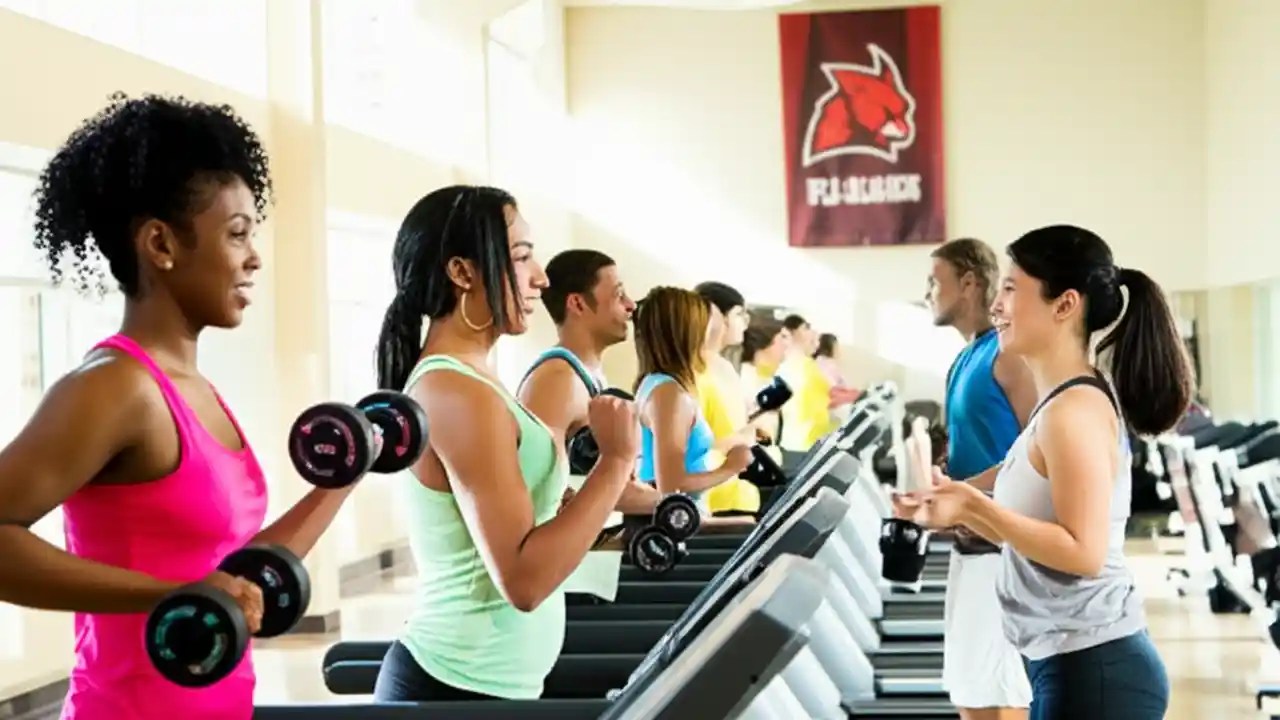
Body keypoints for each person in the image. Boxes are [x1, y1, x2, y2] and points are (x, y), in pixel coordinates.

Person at [0, 93, 355, 720]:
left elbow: (234, 574)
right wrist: (171, 593)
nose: (254, 258)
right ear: (161, 244)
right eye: (237, 234)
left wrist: (346, 474)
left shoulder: (197, 388)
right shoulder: (115, 387)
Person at [899, 225, 1186, 719]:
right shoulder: (1056, 403)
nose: (997, 305)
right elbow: (1032, 533)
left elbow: (1084, 552)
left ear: (1064, 304)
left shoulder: (1072, 411)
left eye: (1011, 289)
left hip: (1096, 669)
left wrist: (976, 506)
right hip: (1065, 662)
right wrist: (955, 509)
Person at [371, 185, 639, 702]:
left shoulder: (478, 380)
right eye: (521, 256)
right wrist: (616, 462)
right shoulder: (455, 391)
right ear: (462, 273)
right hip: (455, 686)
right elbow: (523, 581)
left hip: (491, 683)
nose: (540, 276)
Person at [926, 238, 1037, 720]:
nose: (928, 292)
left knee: (1001, 700)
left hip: (1001, 552)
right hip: (968, 547)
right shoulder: (966, 357)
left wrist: (962, 492)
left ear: (969, 283)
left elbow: (1038, 452)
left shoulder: (1007, 355)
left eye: (935, 281)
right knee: (970, 698)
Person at [517, 249, 659, 516]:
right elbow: (541, 494)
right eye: (618, 295)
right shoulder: (557, 381)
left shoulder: (586, 375)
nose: (631, 305)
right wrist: (672, 505)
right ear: (578, 304)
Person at [632, 286, 751, 512]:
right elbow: (672, 487)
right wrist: (730, 467)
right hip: (679, 525)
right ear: (689, 331)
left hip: (692, 518)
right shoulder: (668, 394)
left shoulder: (664, 386)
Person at [693, 281, 761, 516]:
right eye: (739, 314)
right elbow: (692, 443)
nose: (746, 322)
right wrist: (738, 440)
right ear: (714, 316)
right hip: (714, 492)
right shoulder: (694, 371)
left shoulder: (723, 366)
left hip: (739, 484)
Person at [777, 314, 834, 452]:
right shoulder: (786, 366)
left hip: (812, 440)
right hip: (798, 442)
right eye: (806, 328)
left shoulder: (809, 365)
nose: (815, 344)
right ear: (792, 332)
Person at [739, 319, 790, 441]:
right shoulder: (743, 380)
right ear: (765, 343)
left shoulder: (773, 381)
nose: (787, 344)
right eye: (782, 337)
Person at [812, 332, 861, 410]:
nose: (838, 350)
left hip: (835, 391)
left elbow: (841, 380)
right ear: (828, 348)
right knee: (853, 395)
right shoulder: (821, 361)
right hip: (829, 392)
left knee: (856, 393)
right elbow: (827, 382)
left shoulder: (830, 362)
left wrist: (846, 388)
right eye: (836, 347)